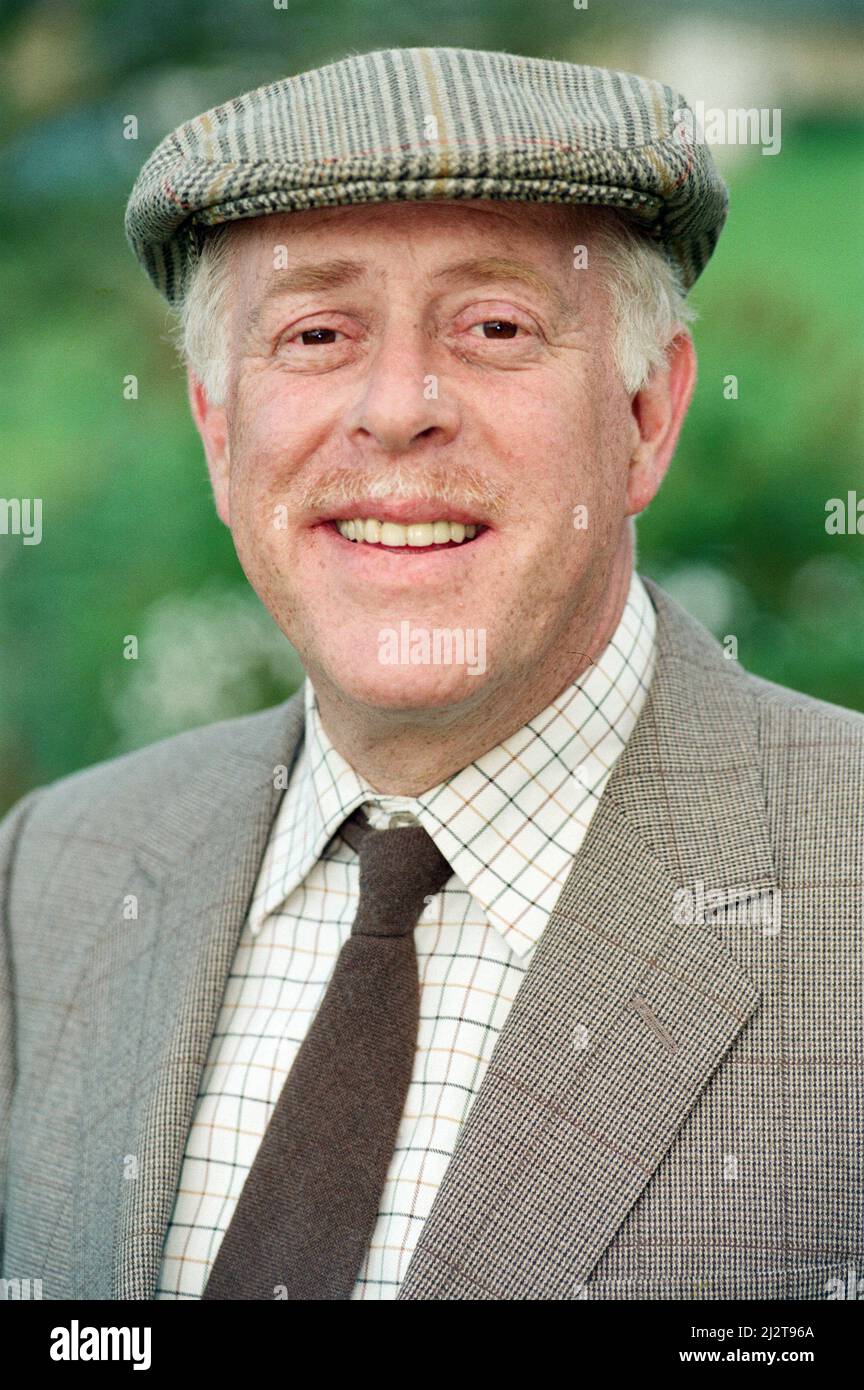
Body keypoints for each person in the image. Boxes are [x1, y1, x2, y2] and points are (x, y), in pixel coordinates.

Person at [1, 46, 861, 1302]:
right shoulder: (52, 878)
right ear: (220, 432)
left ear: (645, 418)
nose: (397, 407)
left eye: (496, 325)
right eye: (315, 331)